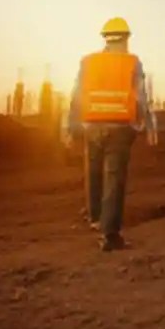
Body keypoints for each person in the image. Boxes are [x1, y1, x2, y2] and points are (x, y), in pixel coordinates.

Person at [67, 16, 157, 251]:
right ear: (125, 38)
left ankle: (96, 218)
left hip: (92, 126)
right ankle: (110, 236)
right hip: (119, 128)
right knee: (114, 179)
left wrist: (70, 126)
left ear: (105, 38)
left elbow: (76, 95)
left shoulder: (89, 62)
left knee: (93, 173)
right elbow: (141, 97)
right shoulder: (132, 62)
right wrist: (149, 125)